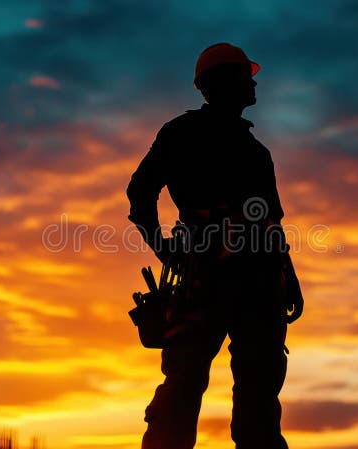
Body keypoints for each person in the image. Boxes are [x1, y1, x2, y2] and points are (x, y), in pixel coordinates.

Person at [126, 42, 303, 449]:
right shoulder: (181, 134)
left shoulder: (256, 152)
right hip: (206, 283)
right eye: (245, 74)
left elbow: (272, 224)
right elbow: (140, 196)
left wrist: (289, 279)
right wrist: (166, 251)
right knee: (183, 391)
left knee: (256, 404)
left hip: (258, 285)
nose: (253, 82)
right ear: (221, 83)